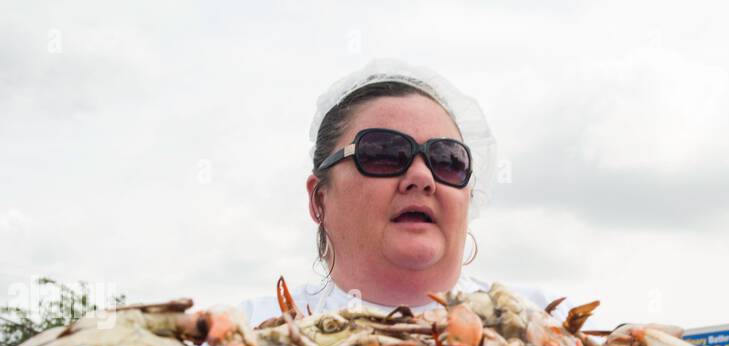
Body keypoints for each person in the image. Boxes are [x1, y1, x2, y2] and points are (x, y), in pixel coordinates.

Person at [239, 60, 557, 325]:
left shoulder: (549, 326)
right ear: (319, 198)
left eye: (448, 160)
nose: (421, 177)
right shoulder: (236, 338)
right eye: (383, 153)